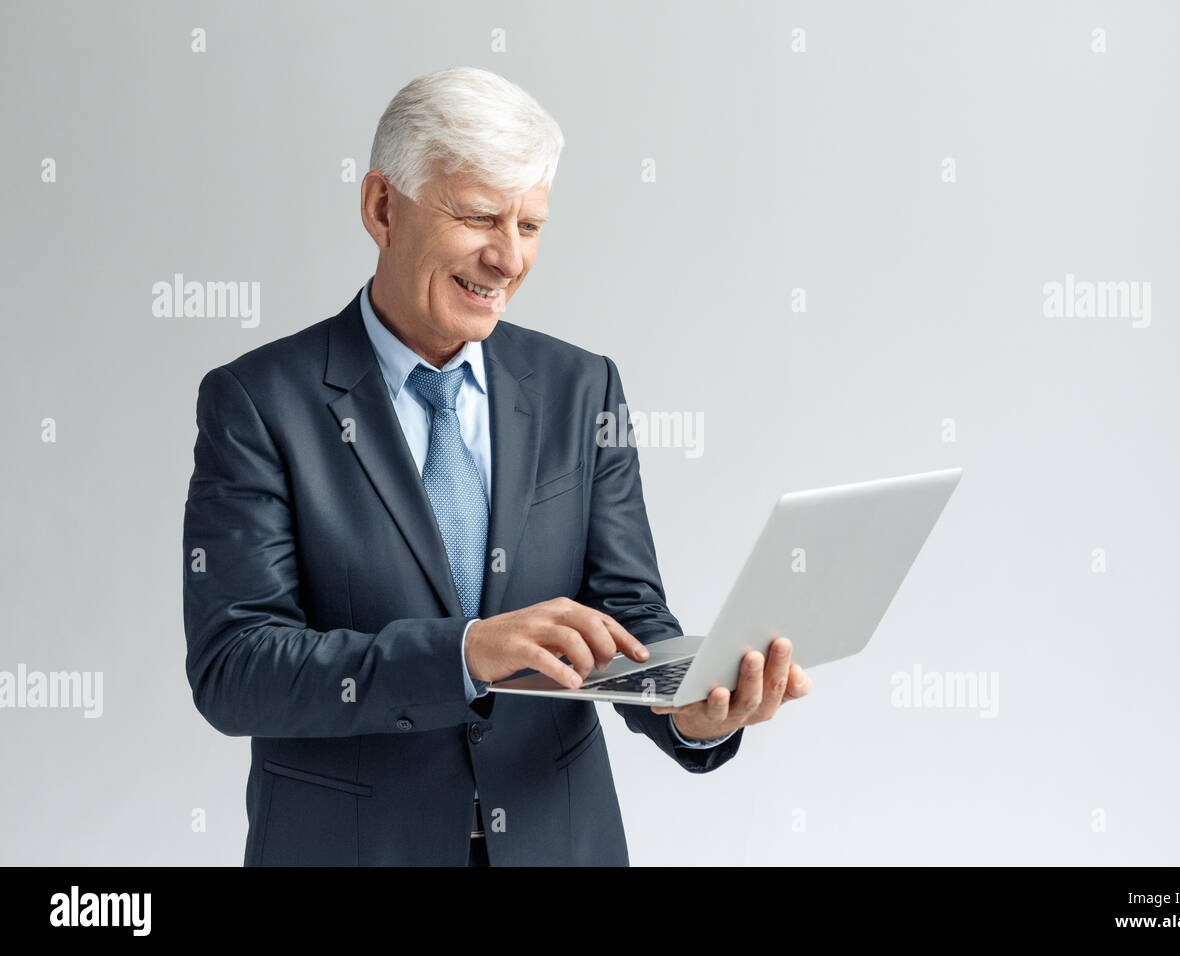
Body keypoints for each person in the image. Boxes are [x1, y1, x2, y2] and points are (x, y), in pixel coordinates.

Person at [182, 66, 810, 866]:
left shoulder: (583, 388)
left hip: (560, 842)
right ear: (382, 207)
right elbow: (236, 669)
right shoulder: (258, 401)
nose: (509, 258)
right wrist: (463, 652)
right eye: (480, 216)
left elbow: (625, 616)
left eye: (532, 225)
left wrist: (688, 709)